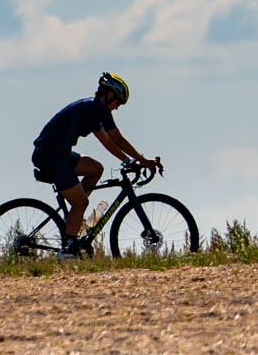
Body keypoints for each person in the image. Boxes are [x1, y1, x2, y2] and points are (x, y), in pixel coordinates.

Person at [31, 71, 163, 238]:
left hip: (58, 154)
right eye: (118, 102)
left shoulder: (99, 110)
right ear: (109, 95)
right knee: (81, 203)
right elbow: (110, 141)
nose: (117, 107)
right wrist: (133, 161)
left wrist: (139, 160)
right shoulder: (93, 108)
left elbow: (116, 139)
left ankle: (73, 217)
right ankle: (69, 246)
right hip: (51, 156)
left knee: (96, 169)